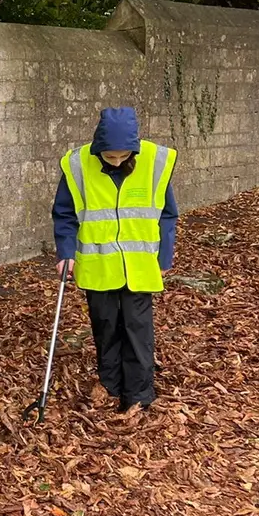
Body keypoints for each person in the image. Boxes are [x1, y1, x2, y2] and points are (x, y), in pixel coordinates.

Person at [51, 107, 178, 412]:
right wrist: (65, 253)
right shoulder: (78, 165)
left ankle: (138, 395)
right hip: (98, 265)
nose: (118, 162)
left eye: (124, 156)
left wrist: (164, 254)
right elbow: (64, 214)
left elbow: (167, 213)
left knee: (137, 329)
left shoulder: (155, 162)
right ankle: (109, 386)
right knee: (105, 327)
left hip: (139, 264)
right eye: (111, 157)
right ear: (98, 149)